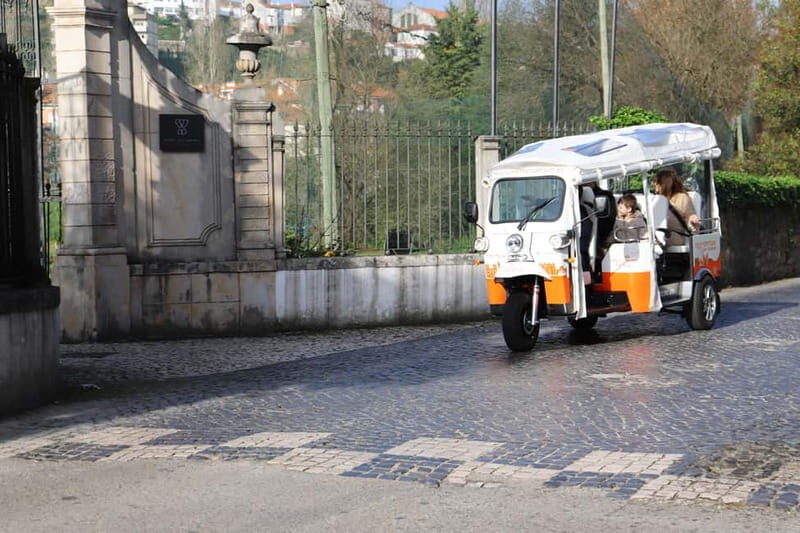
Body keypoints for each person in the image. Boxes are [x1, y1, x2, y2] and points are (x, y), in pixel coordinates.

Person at [654, 168, 700, 246]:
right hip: (657, 238)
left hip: (673, 238)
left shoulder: (682, 198)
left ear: (664, 184)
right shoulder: (656, 199)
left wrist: (693, 218)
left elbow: (690, 214)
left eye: (657, 182)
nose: (655, 185)